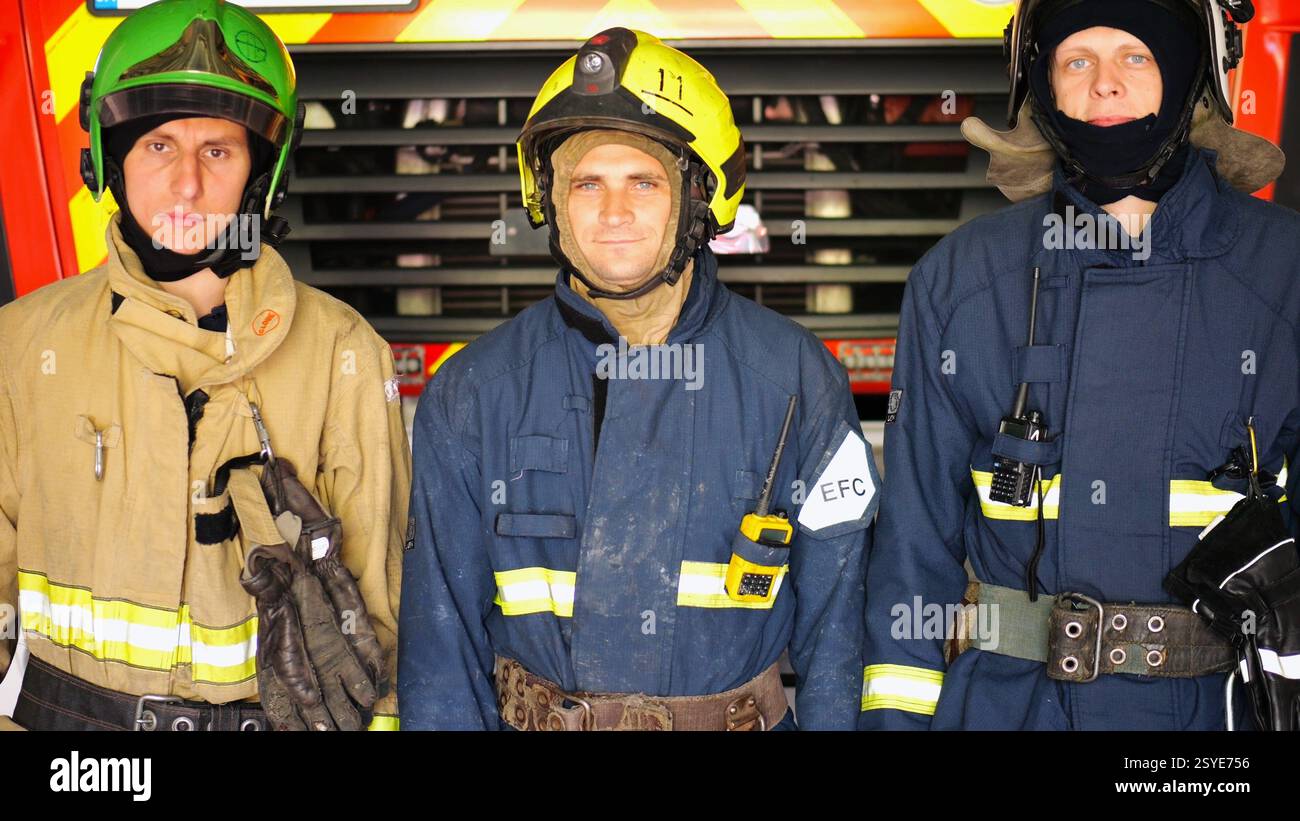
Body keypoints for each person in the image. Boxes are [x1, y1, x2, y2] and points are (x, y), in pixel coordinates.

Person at [399, 27, 877, 730]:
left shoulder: (798, 380)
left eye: (643, 182)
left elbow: (841, 642)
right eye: (587, 182)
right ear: (550, 201)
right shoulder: (472, 392)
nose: (613, 213)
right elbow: (441, 660)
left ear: (698, 199)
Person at [861, 0, 1299, 730]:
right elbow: (912, 550)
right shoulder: (960, 283)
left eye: (1135, 55)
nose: (1104, 84)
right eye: (1076, 60)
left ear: (1192, 75)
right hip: (1011, 706)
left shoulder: (1284, 273)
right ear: (1040, 85)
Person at [0, 0, 409, 731]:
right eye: (158, 146)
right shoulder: (22, 345)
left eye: (217, 150)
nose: (186, 184)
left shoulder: (344, 354)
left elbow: (383, 630)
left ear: (262, 172)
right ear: (110, 158)